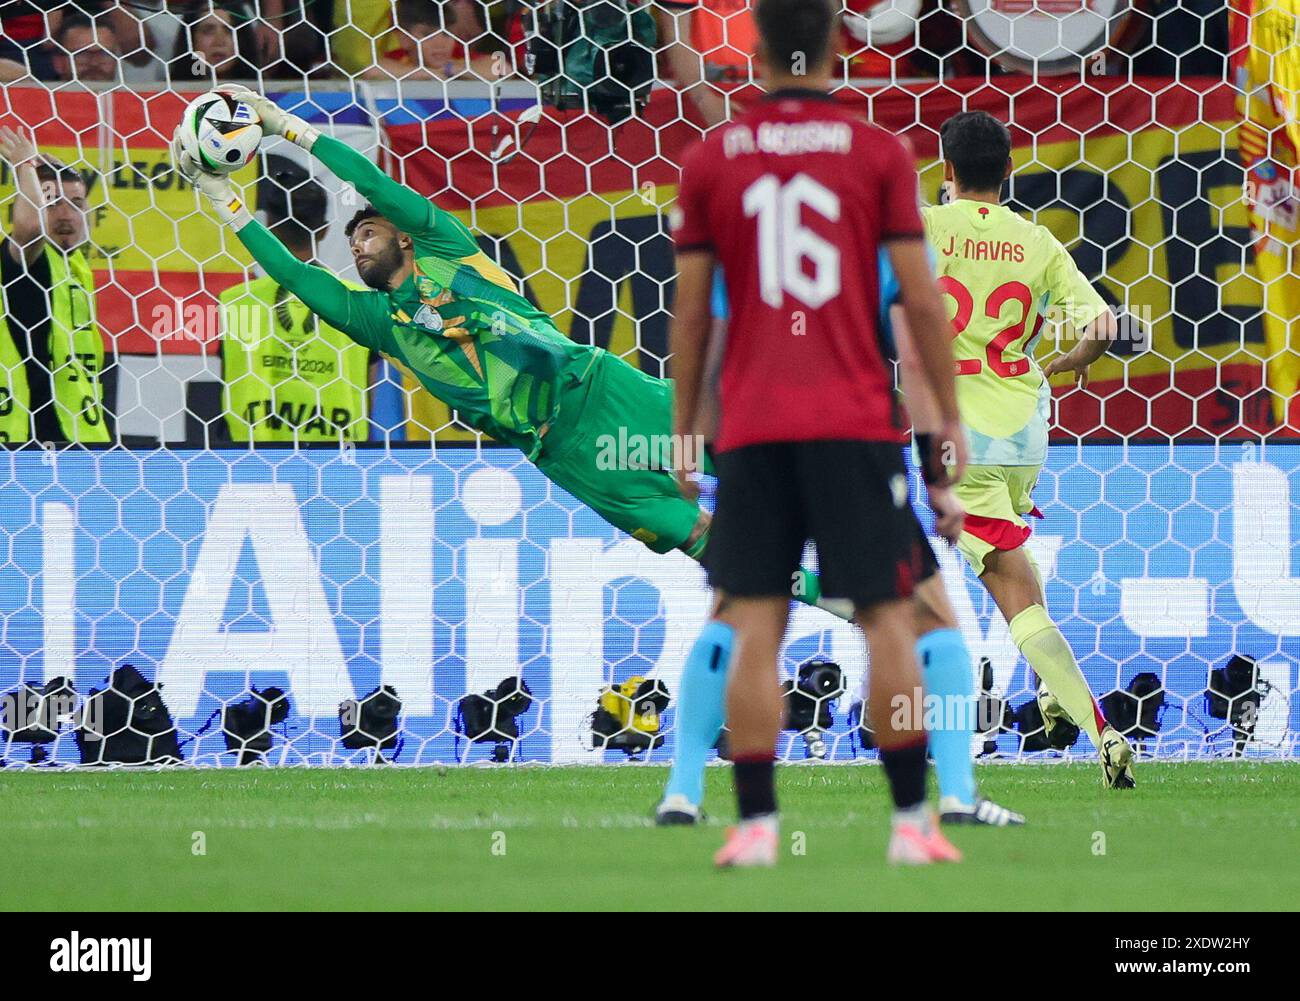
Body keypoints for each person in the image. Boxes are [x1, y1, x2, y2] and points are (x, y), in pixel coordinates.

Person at [169, 85, 853, 621]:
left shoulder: (445, 246)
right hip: (565, 451)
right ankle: (841, 598)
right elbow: (294, 277)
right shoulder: (380, 321)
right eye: (351, 242)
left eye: (369, 232)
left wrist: (288, 127)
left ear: (403, 237)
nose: (358, 243)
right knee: (708, 543)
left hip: (600, 386)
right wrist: (221, 198)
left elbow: (376, 188)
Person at [669, 0, 969, 867]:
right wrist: (946, 427)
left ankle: (755, 827)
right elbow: (919, 302)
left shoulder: (713, 157)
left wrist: (688, 434)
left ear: (756, 48)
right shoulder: (879, 152)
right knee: (887, 618)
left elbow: (691, 317)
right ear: (839, 45)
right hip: (852, 424)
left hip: (756, 429)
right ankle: (913, 823)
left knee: (755, 622)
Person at [654, 249, 1026, 830]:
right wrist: (937, 474)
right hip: (850, 441)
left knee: (734, 618)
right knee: (920, 619)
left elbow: (707, 340)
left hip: (757, 442)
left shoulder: (746, 224)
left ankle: (684, 795)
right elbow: (914, 353)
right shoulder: (872, 217)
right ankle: (950, 798)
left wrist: (688, 449)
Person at [924, 110, 1135, 788]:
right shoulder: (1036, 240)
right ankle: (1052, 697)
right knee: (1016, 562)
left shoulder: (926, 229)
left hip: (961, 437)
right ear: (1009, 173)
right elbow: (1105, 325)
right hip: (1026, 426)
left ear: (946, 171)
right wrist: (1070, 363)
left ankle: (1099, 728)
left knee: (1012, 594)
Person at [220, 155, 377, 444]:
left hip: (251, 464)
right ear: (326, 230)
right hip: (338, 465)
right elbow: (367, 395)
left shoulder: (236, 302)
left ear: (266, 225)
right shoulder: (360, 303)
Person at [0, 129, 111, 446]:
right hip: (28, 443)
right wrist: (25, 166)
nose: (66, 214)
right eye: (52, 202)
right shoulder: (28, 260)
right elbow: (31, 227)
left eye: (76, 203)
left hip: (82, 438)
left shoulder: (76, 268)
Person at [167, 4, 258, 84]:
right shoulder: (170, 95)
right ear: (190, 38)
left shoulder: (262, 94)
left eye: (229, 30)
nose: (219, 42)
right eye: (208, 31)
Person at [50, 12, 122, 84]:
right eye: (82, 54)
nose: (94, 63)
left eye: (105, 54)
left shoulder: (131, 94)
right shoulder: (45, 95)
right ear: (58, 62)